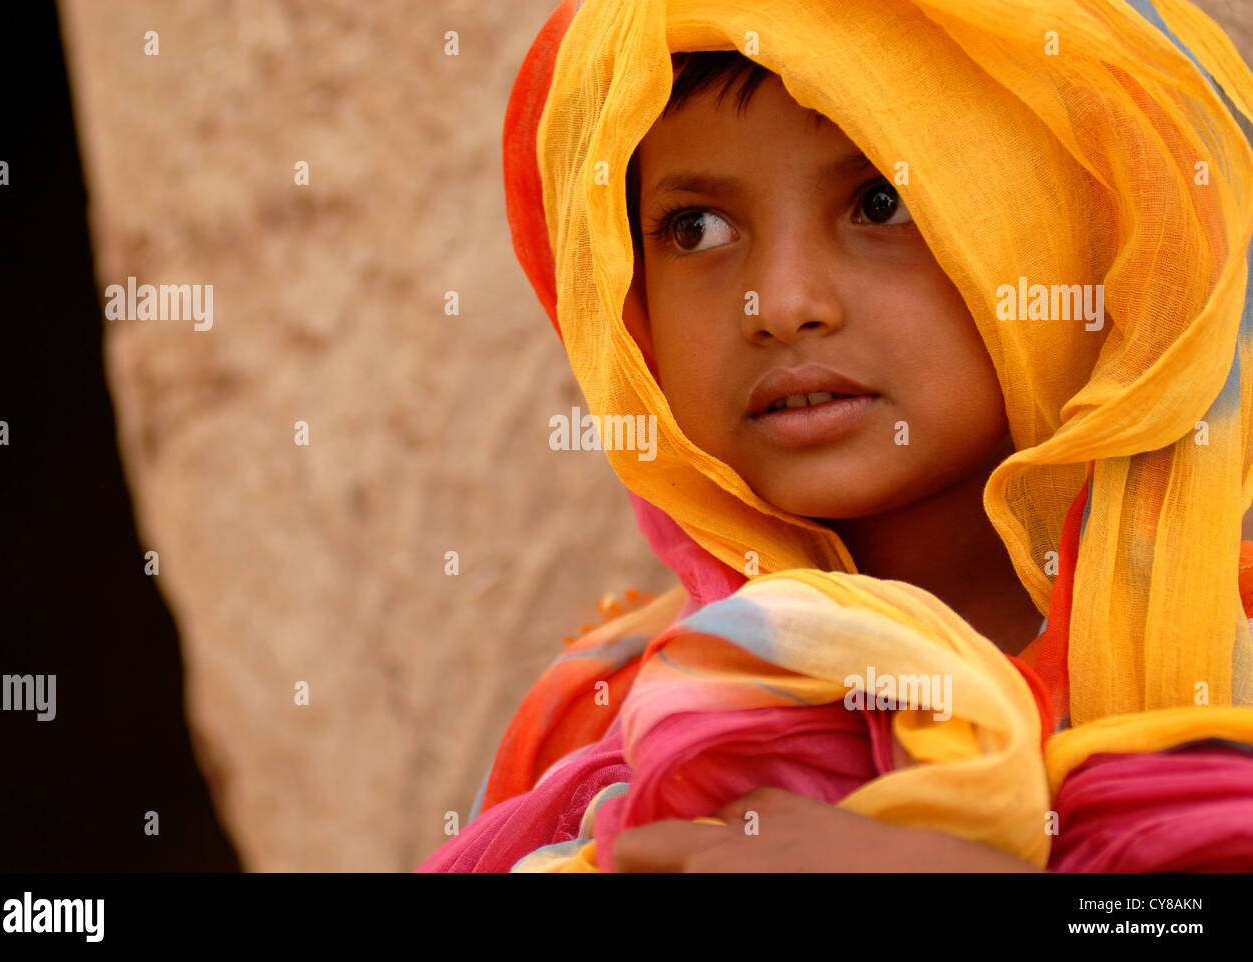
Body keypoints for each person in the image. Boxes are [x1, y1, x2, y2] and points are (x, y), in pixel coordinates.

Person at [418, 0, 1253, 872]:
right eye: (696, 228)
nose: (780, 306)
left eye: (882, 202)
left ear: (1066, 240)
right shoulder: (603, 723)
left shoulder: (1225, 663)